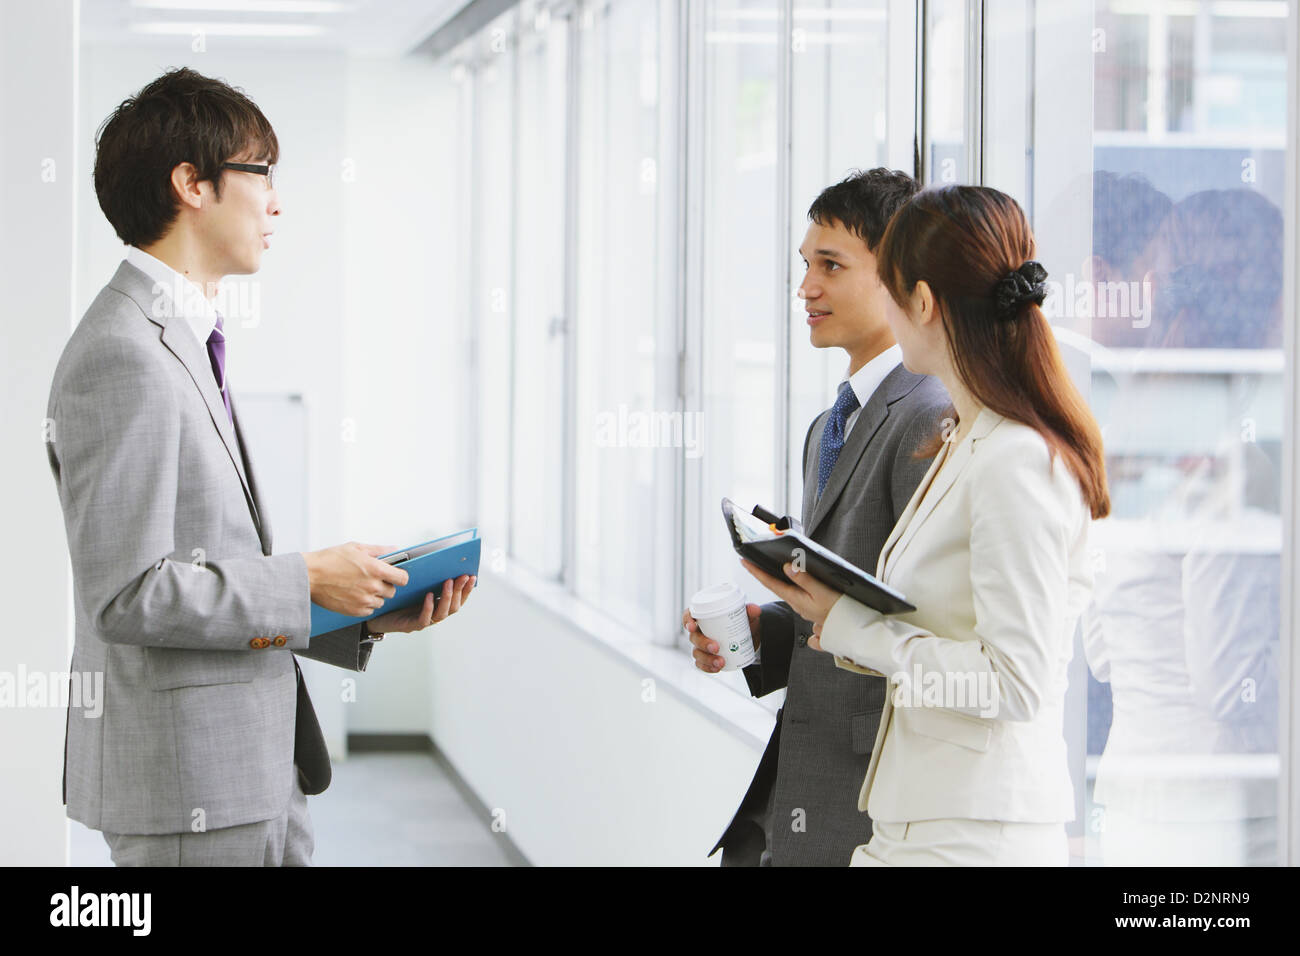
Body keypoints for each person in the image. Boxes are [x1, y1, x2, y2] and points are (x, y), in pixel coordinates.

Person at [43, 67, 475, 866]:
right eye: (261, 172)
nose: (277, 202)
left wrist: (360, 610)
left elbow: (210, 578)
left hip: (253, 771)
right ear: (191, 184)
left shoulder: (177, 338)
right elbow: (126, 594)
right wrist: (308, 578)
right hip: (188, 788)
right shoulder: (123, 354)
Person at [743, 184, 1109, 866]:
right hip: (919, 823)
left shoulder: (1013, 461)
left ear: (923, 302)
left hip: (971, 834)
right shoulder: (968, 443)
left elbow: (1012, 684)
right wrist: (831, 615)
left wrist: (852, 626)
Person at [683, 169, 950, 866]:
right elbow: (846, 597)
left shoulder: (927, 418)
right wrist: (763, 633)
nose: (806, 287)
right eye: (806, 265)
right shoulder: (828, 426)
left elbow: (928, 621)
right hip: (803, 775)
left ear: (900, 276)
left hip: (868, 788)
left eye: (831, 265)